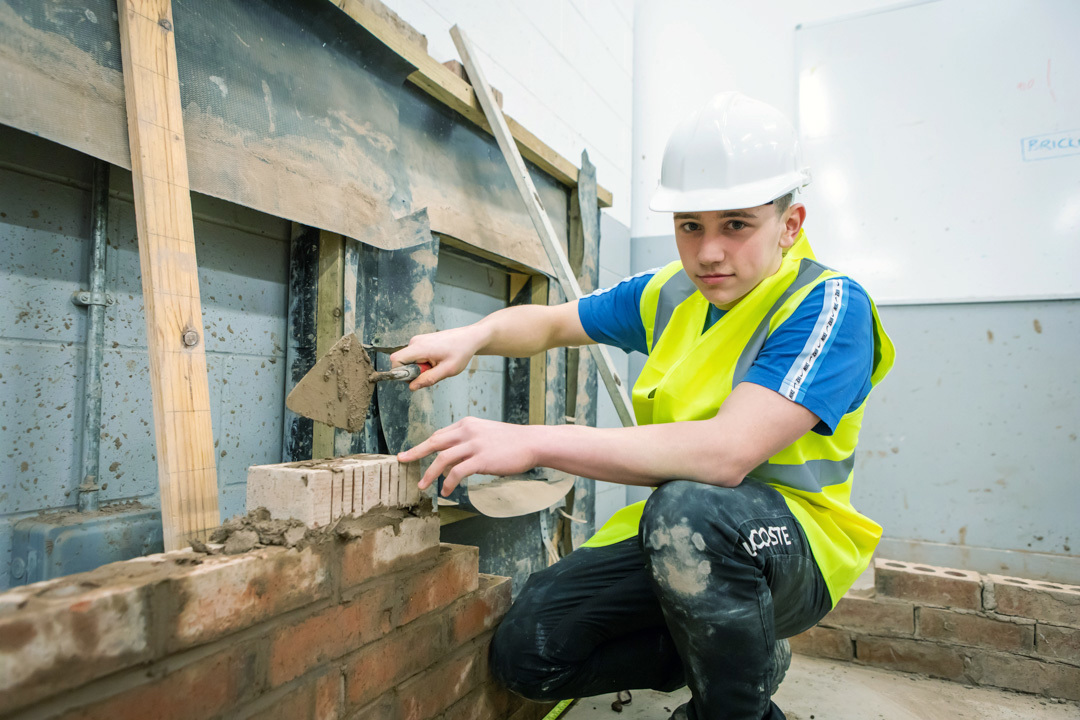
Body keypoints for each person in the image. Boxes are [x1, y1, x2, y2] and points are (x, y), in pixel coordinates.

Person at [393, 92, 895, 720]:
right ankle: (747, 657)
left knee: (691, 507)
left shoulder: (826, 306)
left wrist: (533, 441)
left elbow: (725, 455)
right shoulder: (669, 293)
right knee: (530, 652)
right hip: (682, 535)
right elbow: (551, 323)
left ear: (789, 225)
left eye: (736, 224)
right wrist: (474, 336)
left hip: (792, 548)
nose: (708, 251)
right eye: (691, 226)